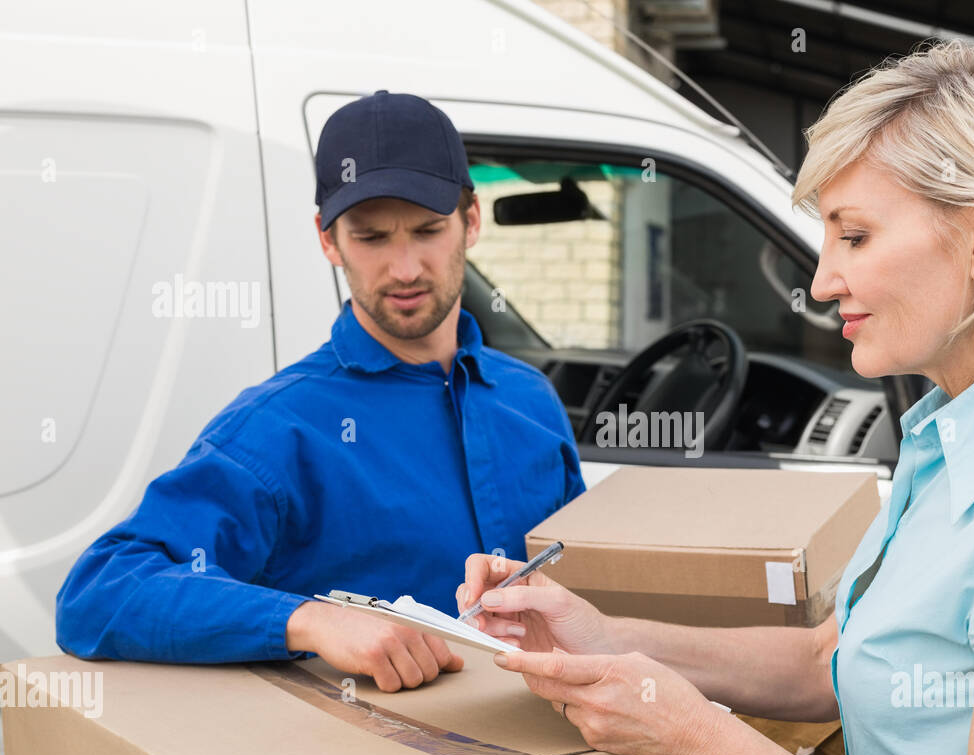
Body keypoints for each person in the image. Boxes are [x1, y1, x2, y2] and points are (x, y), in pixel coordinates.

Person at [458, 40, 974, 755]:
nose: (823, 280)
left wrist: (695, 738)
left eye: (855, 236)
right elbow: (830, 658)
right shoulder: (958, 433)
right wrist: (604, 635)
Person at [56, 91, 584, 692]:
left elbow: (582, 592)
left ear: (471, 221)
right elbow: (99, 592)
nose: (405, 267)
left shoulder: (532, 401)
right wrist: (311, 621)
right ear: (328, 240)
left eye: (428, 230)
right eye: (372, 237)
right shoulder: (277, 428)